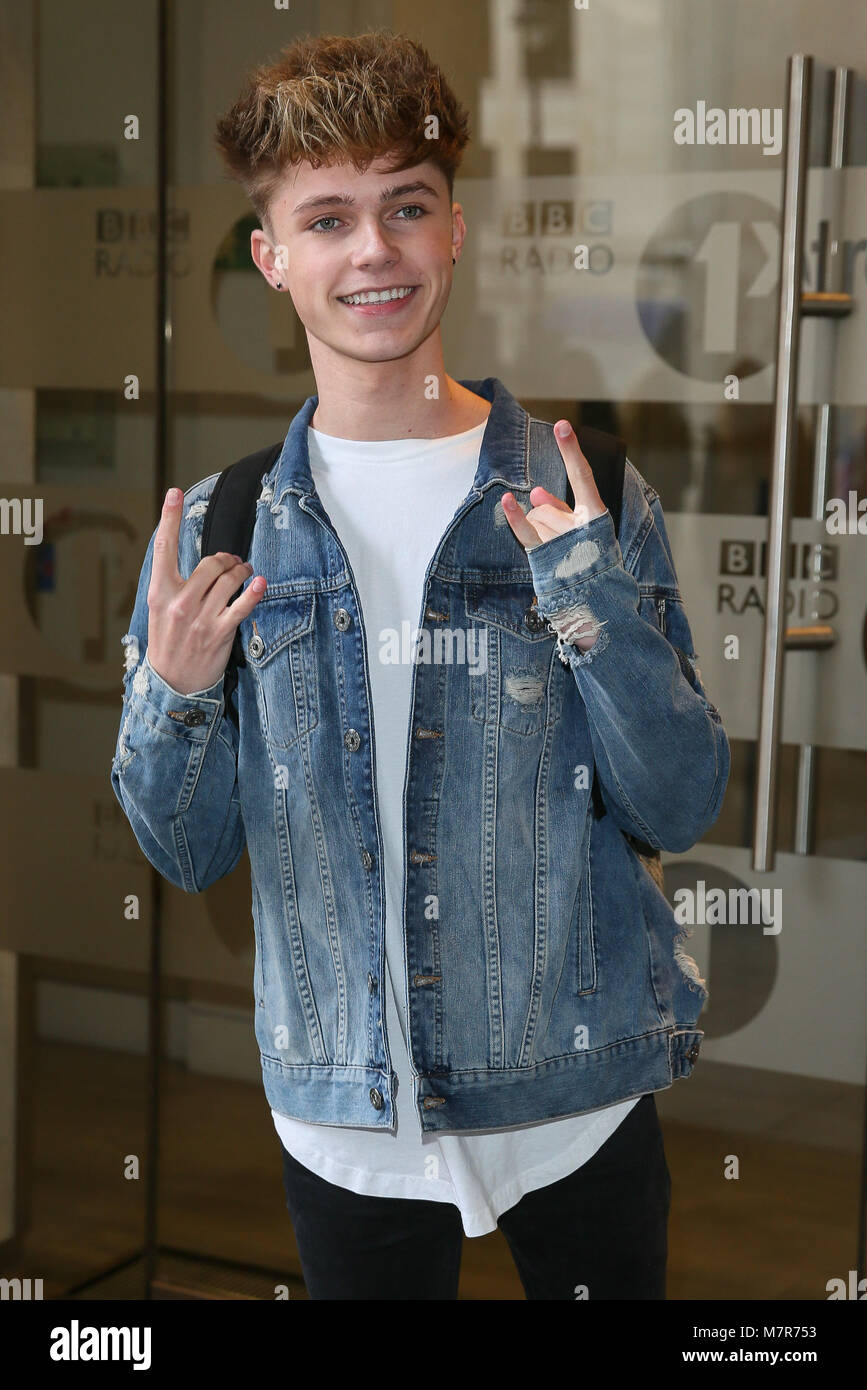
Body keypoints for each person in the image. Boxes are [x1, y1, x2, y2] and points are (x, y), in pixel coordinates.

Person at [111, 29, 730, 1300]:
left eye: (405, 205)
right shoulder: (226, 527)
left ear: (454, 228)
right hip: (347, 1122)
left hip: (579, 1097)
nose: (373, 249)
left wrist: (588, 597)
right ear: (273, 258)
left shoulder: (584, 487)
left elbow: (681, 801)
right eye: (327, 219)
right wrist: (172, 694)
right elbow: (188, 853)